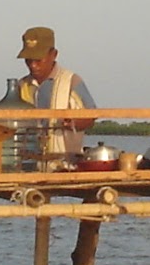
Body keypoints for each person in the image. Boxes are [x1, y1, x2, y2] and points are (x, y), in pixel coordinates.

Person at [15, 25, 96, 164]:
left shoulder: (71, 81)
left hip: (65, 164)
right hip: (30, 163)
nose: (33, 65)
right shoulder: (22, 85)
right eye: (28, 60)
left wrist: (72, 122)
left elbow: (91, 116)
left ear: (54, 54)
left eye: (38, 60)